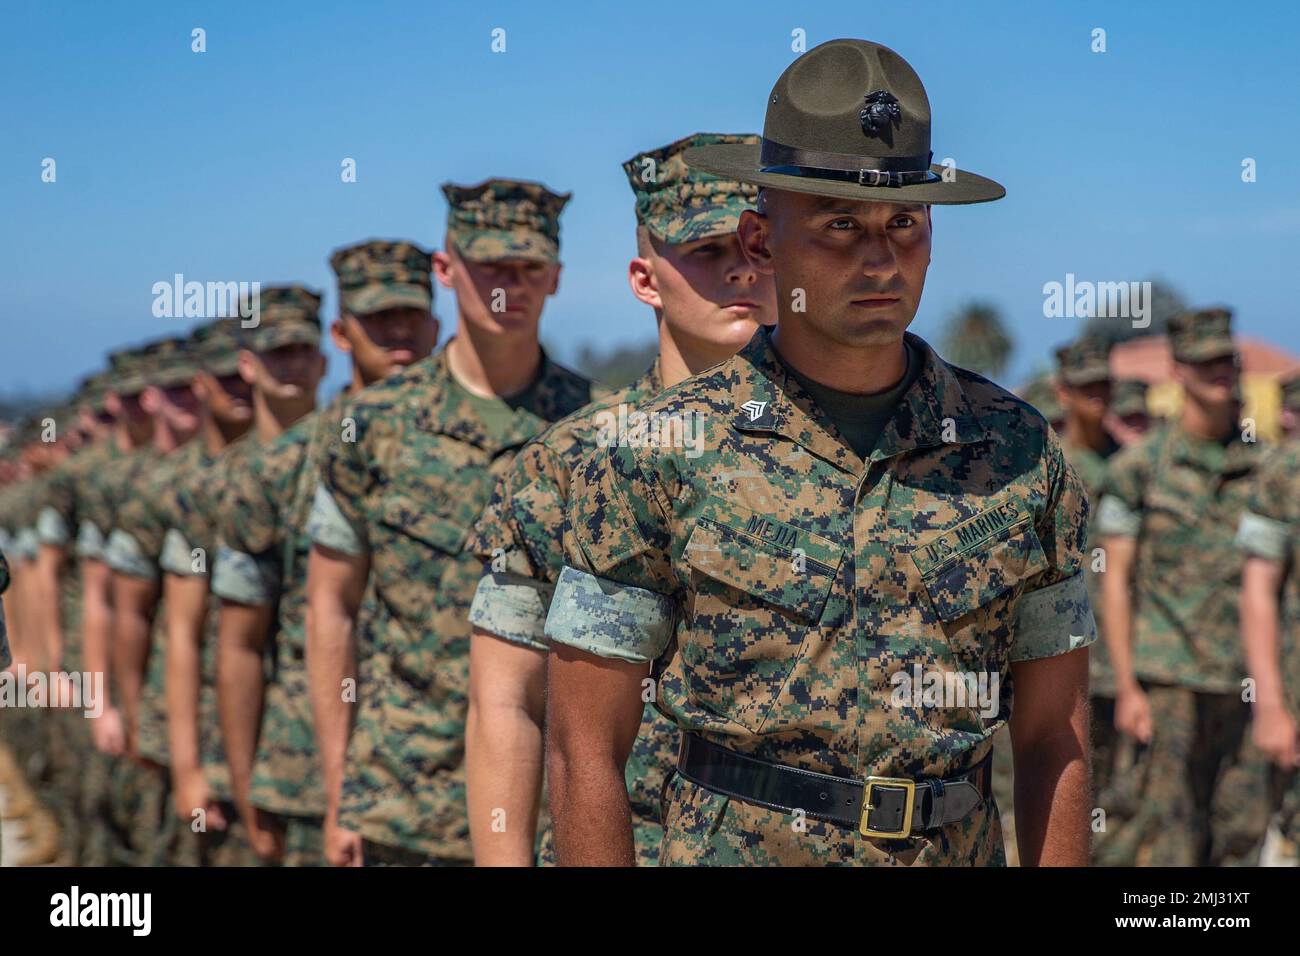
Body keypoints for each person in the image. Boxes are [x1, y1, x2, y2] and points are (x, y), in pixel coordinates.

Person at [544, 38, 1095, 866]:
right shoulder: (659, 450)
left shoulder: (1018, 452)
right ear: (761, 243)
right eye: (841, 224)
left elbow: (1055, 740)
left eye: (903, 223)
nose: (881, 258)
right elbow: (584, 750)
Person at [464, 133, 775, 865]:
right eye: (704, 252)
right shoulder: (565, 463)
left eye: (758, 248)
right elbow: (506, 704)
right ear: (645, 279)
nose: (739, 269)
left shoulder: (845, 453)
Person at [305, 179, 599, 866]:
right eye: (490, 266)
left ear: (556, 277)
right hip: (402, 801)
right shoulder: (371, 427)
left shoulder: (595, 428)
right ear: (446, 269)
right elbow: (330, 609)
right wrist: (337, 791)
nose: (509, 286)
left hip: (547, 808)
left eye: (528, 268)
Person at [213, 243, 437, 865]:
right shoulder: (283, 466)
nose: (398, 335)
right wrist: (243, 785)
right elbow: (239, 642)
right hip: (310, 779)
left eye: (410, 317)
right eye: (378, 319)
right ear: (342, 334)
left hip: (443, 775)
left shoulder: (473, 450)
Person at [1098, 307, 1273, 866]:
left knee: (1241, 831)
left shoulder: (1265, 467)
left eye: (1227, 360)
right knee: (1170, 835)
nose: (1220, 372)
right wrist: (1126, 686)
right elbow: (1116, 580)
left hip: (1246, 681)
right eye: (1205, 362)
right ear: (1178, 369)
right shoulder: (1141, 469)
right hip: (1167, 681)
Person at [209, 288, 327, 863]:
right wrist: (233, 779)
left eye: (304, 350)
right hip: (283, 752)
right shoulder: (230, 478)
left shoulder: (348, 454)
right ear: (249, 364)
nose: (294, 365)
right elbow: (206, 634)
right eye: (278, 352)